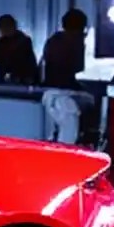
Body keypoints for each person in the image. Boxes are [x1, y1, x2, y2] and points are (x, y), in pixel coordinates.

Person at [40, 9, 95, 145]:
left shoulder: (53, 41)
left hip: (50, 93)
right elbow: (80, 71)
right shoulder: (78, 43)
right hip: (70, 94)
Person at [0, 14, 37, 84]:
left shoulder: (23, 42)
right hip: (7, 83)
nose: (4, 30)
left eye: (6, 26)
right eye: (2, 27)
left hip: (22, 83)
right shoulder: (0, 44)